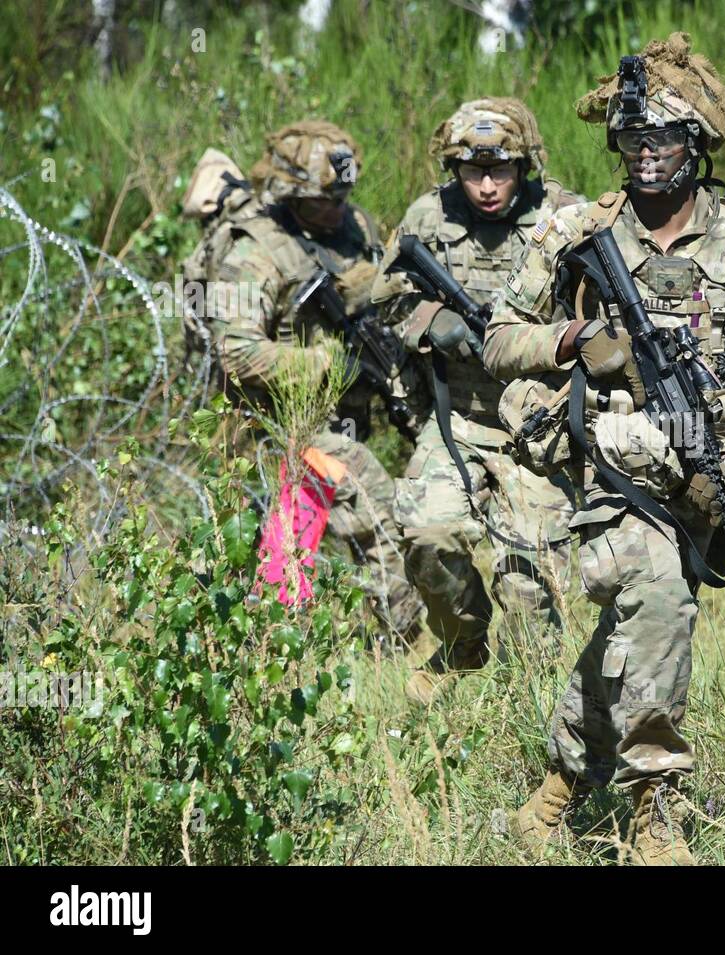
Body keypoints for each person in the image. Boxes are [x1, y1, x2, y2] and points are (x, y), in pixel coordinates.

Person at [483, 34, 725, 865]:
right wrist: (574, 339)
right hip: (604, 463)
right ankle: (655, 805)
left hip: (705, 471)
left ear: (697, 147)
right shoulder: (576, 232)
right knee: (658, 592)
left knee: (639, 626)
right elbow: (497, 338)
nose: (644, 157)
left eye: (663, 140)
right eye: (631, 141)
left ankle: (562, 779)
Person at [370, 99, 584, 703]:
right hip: (459, 417)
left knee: (530, 583)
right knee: (427, 533)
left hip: (538, 423)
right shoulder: (427, 218)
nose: (487, 187)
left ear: (525, 167)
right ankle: (464, 640)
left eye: (501, 171)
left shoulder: (564, 217)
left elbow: (606, 303)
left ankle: (535, 716)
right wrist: (430, 319)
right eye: (472, 173)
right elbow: (384, 296)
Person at [204, 120, 424, 647]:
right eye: (323, 200)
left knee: (294, 535)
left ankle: (276, 639)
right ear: (289, 194)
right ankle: (401, 635)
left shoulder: (356, 228)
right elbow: (235, 351)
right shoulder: (255, 249)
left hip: (345, 410)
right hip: (273, 422)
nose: (337, 208)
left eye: (343, 195)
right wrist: (321, 364)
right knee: (367, 494)